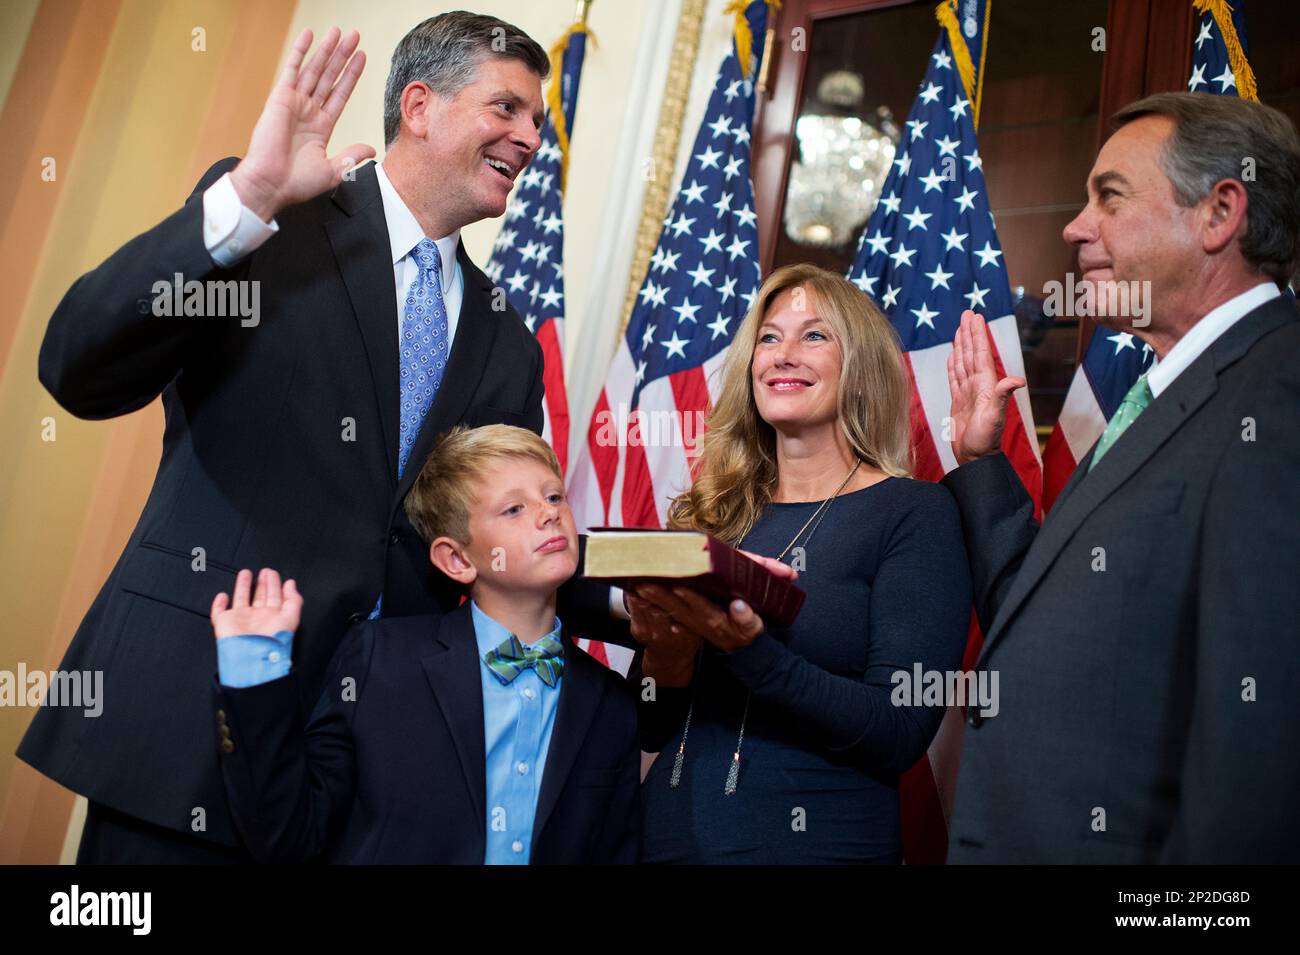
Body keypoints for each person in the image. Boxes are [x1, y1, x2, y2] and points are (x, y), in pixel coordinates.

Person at [19, 12, 626, 863]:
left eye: (536, 118)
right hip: (191, 720)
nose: (531, 137)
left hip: (375, 766)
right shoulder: (269, 227)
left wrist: (651, 603)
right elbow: (77, 365)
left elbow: (510, 533)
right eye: (508, 109)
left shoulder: (507, 339)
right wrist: (248, 200)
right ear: (420, 106)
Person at [942, 91, 1300, 863]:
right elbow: (1042, 617)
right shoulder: (1163, 394)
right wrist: (981, 461)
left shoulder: (1280, 389)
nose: (1075, 227)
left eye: (1108, 196)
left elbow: (1261, 743)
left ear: (1219, 212)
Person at [625, 263, 972, 863]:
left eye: (814, 335)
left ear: (859, 365)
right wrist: (668, 657)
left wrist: (750, 651)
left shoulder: (915, 513)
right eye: (768, 337)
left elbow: (898, 733)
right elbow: (649, 724)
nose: (783, 355)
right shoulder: (708, 517)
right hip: (665, 844)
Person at [208, 425, 639, 863]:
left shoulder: (611, 702)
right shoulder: (380, 663)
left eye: (553, 496)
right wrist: (253, 670)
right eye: (513, 509)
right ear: (457, 559)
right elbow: (290, 834)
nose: (549, 514)